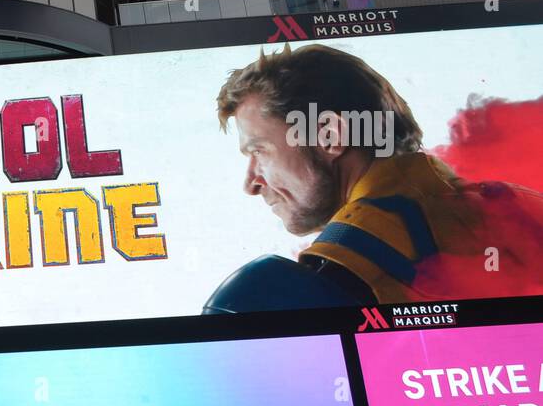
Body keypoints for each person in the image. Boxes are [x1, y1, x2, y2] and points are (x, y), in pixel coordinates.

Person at [204, 45, 543, 312]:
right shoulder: (525, 207)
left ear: (329, 135)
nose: (251, 183)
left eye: (259, 152)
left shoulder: (328, 279)